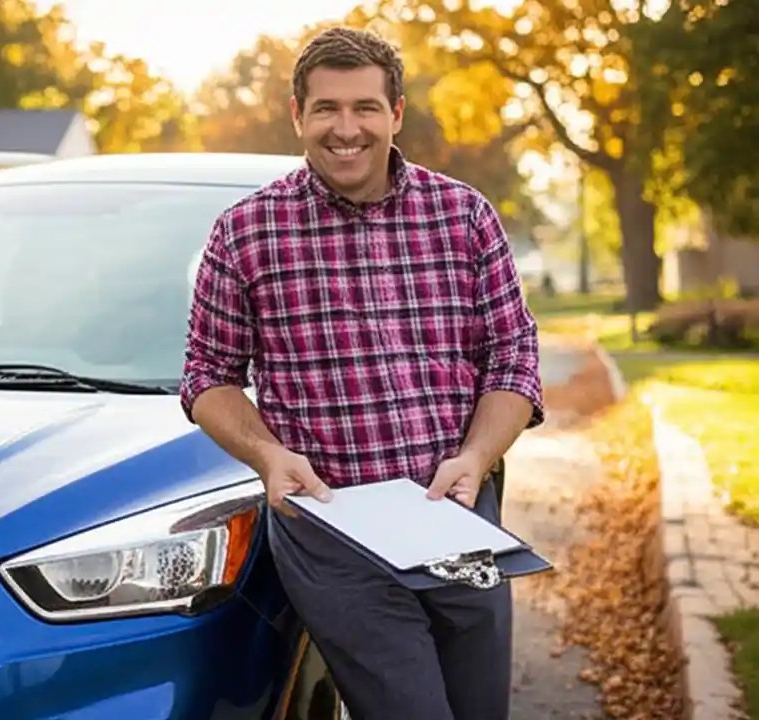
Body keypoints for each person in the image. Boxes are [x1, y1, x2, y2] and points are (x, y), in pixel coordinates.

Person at [179, 26, 544, 720]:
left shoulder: (464, 217)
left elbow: (513, 356)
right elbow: (207, 373)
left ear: (396, 112)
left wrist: (475, 456)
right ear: (298, 115)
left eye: (365, 107)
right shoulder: (246, 233)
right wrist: (267, 455)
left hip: (457, 517)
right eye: (327, 109)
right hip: (333, 530)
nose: (346, 129)